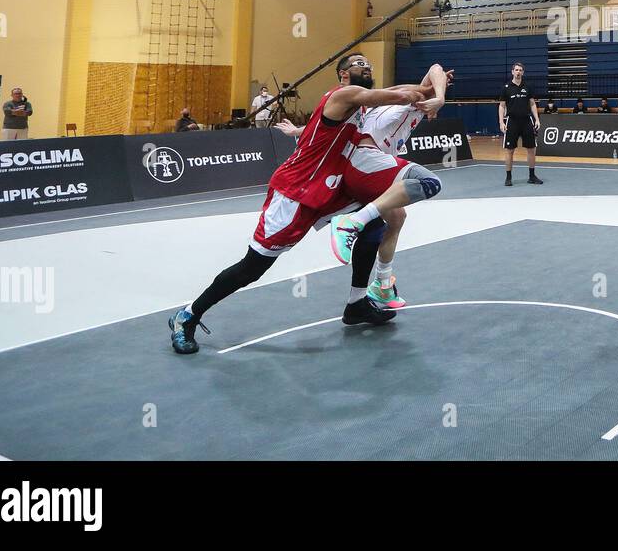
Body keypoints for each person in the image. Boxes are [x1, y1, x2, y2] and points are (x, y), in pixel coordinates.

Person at [168, 54, 438, 354]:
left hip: (331, 187)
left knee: (375, 225)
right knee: (252, 268)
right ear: (343, 75)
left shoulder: (359, 103)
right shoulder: (345, 94)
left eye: (369, 64)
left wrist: (434, 92)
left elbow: (418, 85)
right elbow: (399, 93)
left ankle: (357, 303)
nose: (367, 66)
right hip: (296, 190)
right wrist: (415, 96)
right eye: (359, 63)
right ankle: (187, 315)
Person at [278, 63, 451, 309]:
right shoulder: (406, 97)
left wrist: (297, 129)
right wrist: (440, 98)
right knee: (429, 182)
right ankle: (353, 222)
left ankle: (382, 284)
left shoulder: (374, 106)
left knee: (397, 217)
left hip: (367, 166)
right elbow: (436, 68)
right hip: (366, 161)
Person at [499, 62, 543, 186]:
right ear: (512, 72)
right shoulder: (506, 87)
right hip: (512, 121)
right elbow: (502, 106)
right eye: (516, 70)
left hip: (526, 121)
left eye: (520, 70)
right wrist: (501, 121)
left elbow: (532, 103)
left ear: (523, 72)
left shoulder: (528, 86)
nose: (518, 72)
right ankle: (508, 177)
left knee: (531, 149)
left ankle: (532, 176)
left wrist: (537, 119)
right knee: (509, 150)